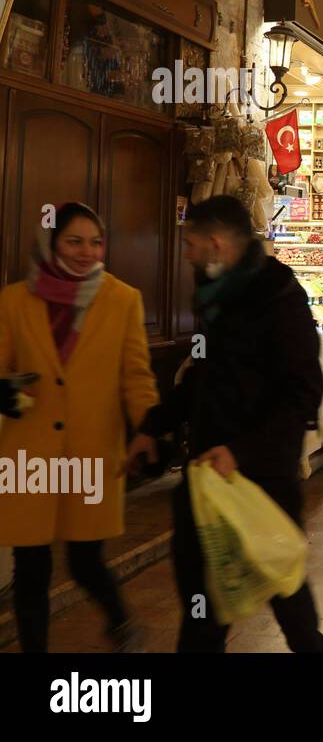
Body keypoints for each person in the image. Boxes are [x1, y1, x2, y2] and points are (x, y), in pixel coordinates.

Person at [126, 196, 323, 652]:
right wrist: (154, 424)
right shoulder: (216, 293)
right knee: (203, 607)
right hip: (210, 480)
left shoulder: (278, 296)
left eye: (190, 243)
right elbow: (204, 376)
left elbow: (302, 394)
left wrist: (242, 451)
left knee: (287, 595)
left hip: (262, 480)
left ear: (215, 243)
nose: (187, 253)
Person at [0, 203, 159, 653]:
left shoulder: (123, 298)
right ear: (52, 243)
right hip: (28, 453)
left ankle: (119, 620)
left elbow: (136, 374)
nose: (86, 251)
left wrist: (147, 427)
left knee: (85, 559)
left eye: (95, 241)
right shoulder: (13, 300)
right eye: (74, 241)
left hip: (91, 449)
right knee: (30, 567)